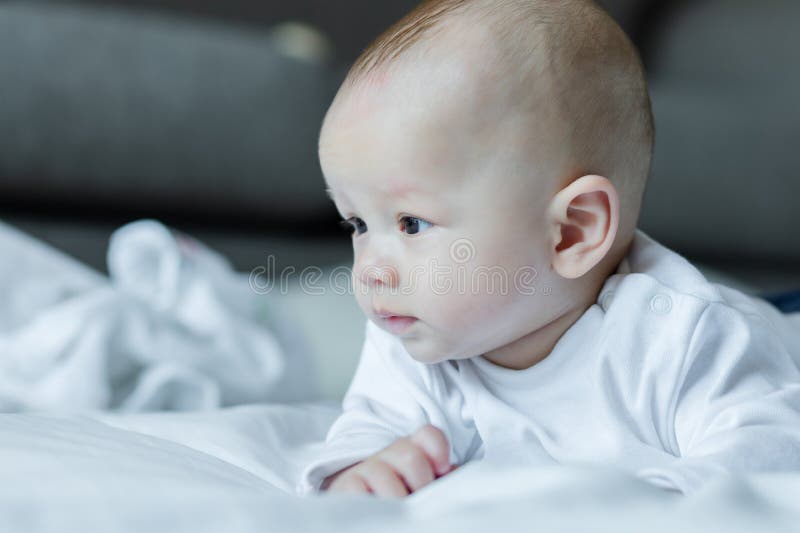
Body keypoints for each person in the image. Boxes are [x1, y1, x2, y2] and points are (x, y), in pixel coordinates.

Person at [295, 0, 800, 498]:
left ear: (571, 232)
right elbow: (370, 427)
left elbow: (769, 451)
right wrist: (362, 470)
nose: (372, 272)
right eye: (358, 223)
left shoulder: (683, 340)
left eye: (411, 223)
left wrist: (653, 502)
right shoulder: (414, 339)